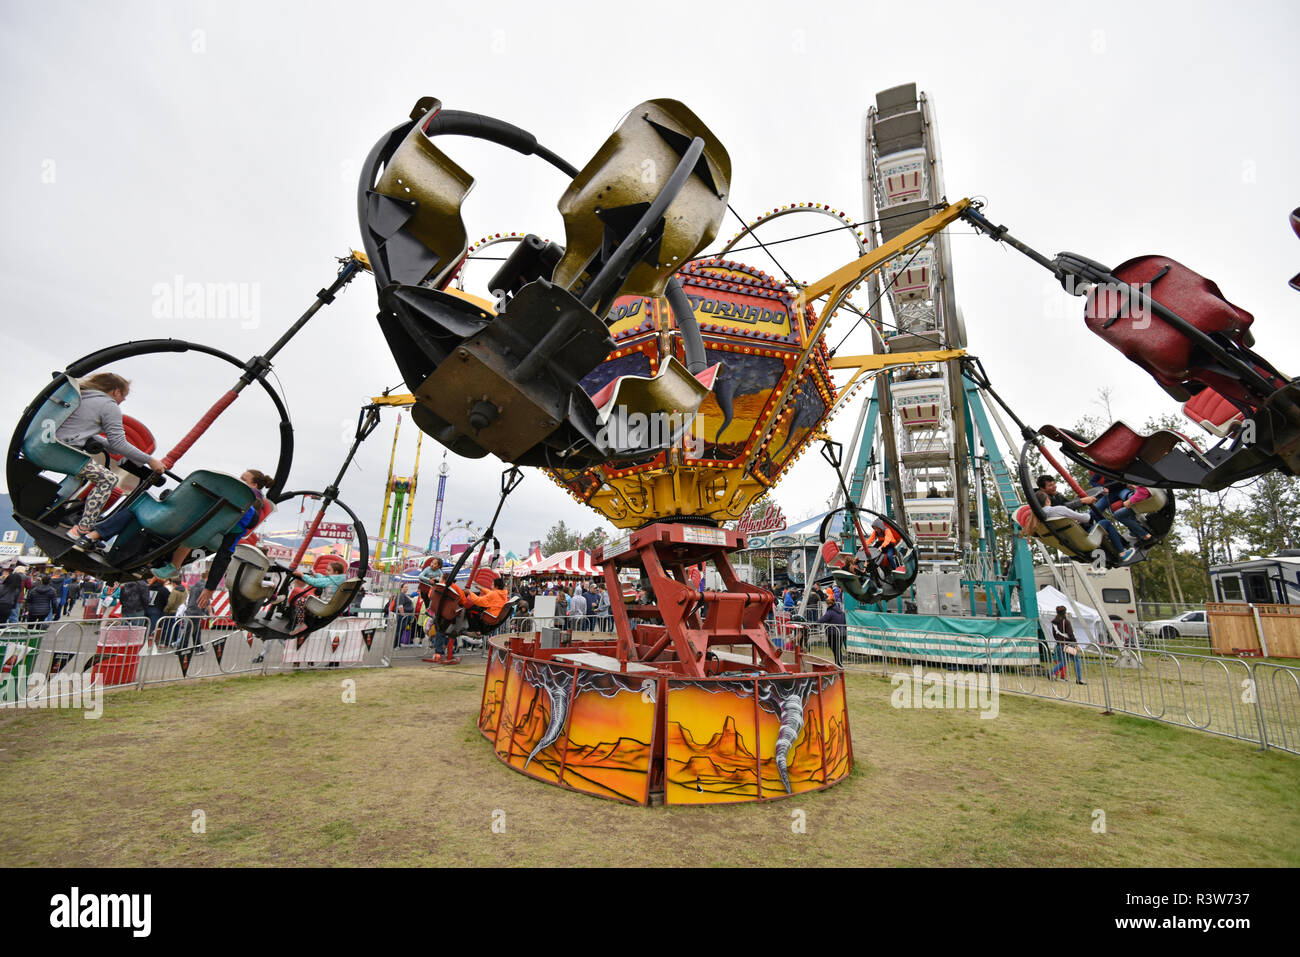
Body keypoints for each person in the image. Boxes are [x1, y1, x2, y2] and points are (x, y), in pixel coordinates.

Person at [59, 373, 166, 542]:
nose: (123, 400)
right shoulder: (108, 405)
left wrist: (115, 448)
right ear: (116, 392)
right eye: (124, 395)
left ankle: (56, 508)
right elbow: (119, 443)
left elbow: (93, 437)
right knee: (108, 479)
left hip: (53, 445)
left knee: (83, 475)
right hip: (65, 452)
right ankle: (81, 529)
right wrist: (150, 460)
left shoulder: (83, 397)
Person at [1035, 475, 1136, 562]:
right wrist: (1082, 501)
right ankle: (1122, 551)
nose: (1054, 487)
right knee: (1103, 522)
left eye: (1054, 484)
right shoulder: (1054, 506)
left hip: (1069, 537)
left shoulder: (1041, 514)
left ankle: (1111, 548)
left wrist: (1078, 500)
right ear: (1042, 490)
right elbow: (1066, 509)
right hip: (1079, 535)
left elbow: (1066, 506)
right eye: (1050, 485)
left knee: (1094, 520)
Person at [1049, 605, 1084, 684]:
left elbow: (1055, 634)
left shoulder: (1054, 622)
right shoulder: (1066, 622)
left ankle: (1052, 672)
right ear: (1064, 612)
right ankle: (1078, 679)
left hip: (1059, 644)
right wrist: (1075, 643)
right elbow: (1070, 634)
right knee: (1076, 660)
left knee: (1063, 662)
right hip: (1068, 644)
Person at [817, 599, 846, 667]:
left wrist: (814, 623)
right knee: (838, 649)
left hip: (833, 633)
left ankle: (838, 664)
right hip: (841, 632)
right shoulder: (841, 612)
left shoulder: (830, 612)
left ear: (829, 604)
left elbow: (823, 619)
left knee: (835, 648)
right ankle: (839, 663)